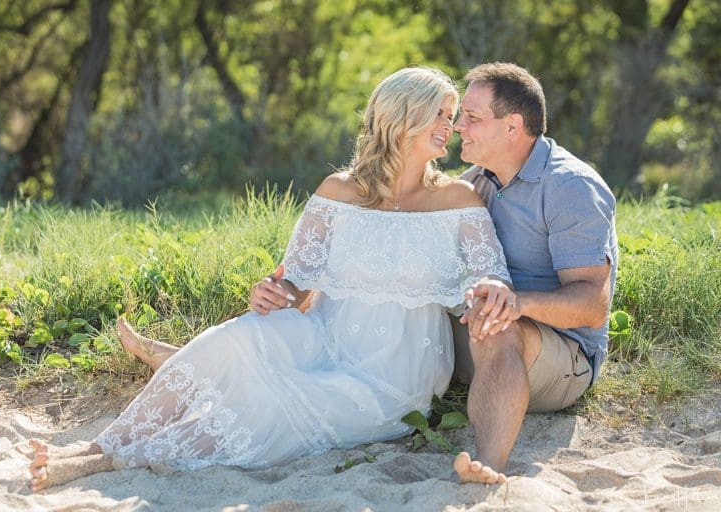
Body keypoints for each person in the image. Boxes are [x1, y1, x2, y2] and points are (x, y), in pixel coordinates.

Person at [27, 66, 514, 492]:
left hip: (396, 376)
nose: (450, 127)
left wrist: (487, 291)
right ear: (401, 116)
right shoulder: (339, 191)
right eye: (441, 114)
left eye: (453, 116)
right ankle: (101, 444)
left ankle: (110, 463)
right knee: (235, 338)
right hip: (324, 336)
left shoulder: (457, 201)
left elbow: (492, 275)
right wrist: (270, 290)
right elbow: (294, 280)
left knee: (274, 403)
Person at [251, 62, 618, 485]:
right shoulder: (476, 182)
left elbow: (593, 306)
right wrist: (290, 295)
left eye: (471, 117)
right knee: (375, 297)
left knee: (495, 322)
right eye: (455, 115)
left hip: (562, 355)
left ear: (513, 126)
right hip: (484, 329)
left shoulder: (569, 187)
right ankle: (242, 363)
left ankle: (489, 465)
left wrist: (516, 303)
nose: (459, 126)